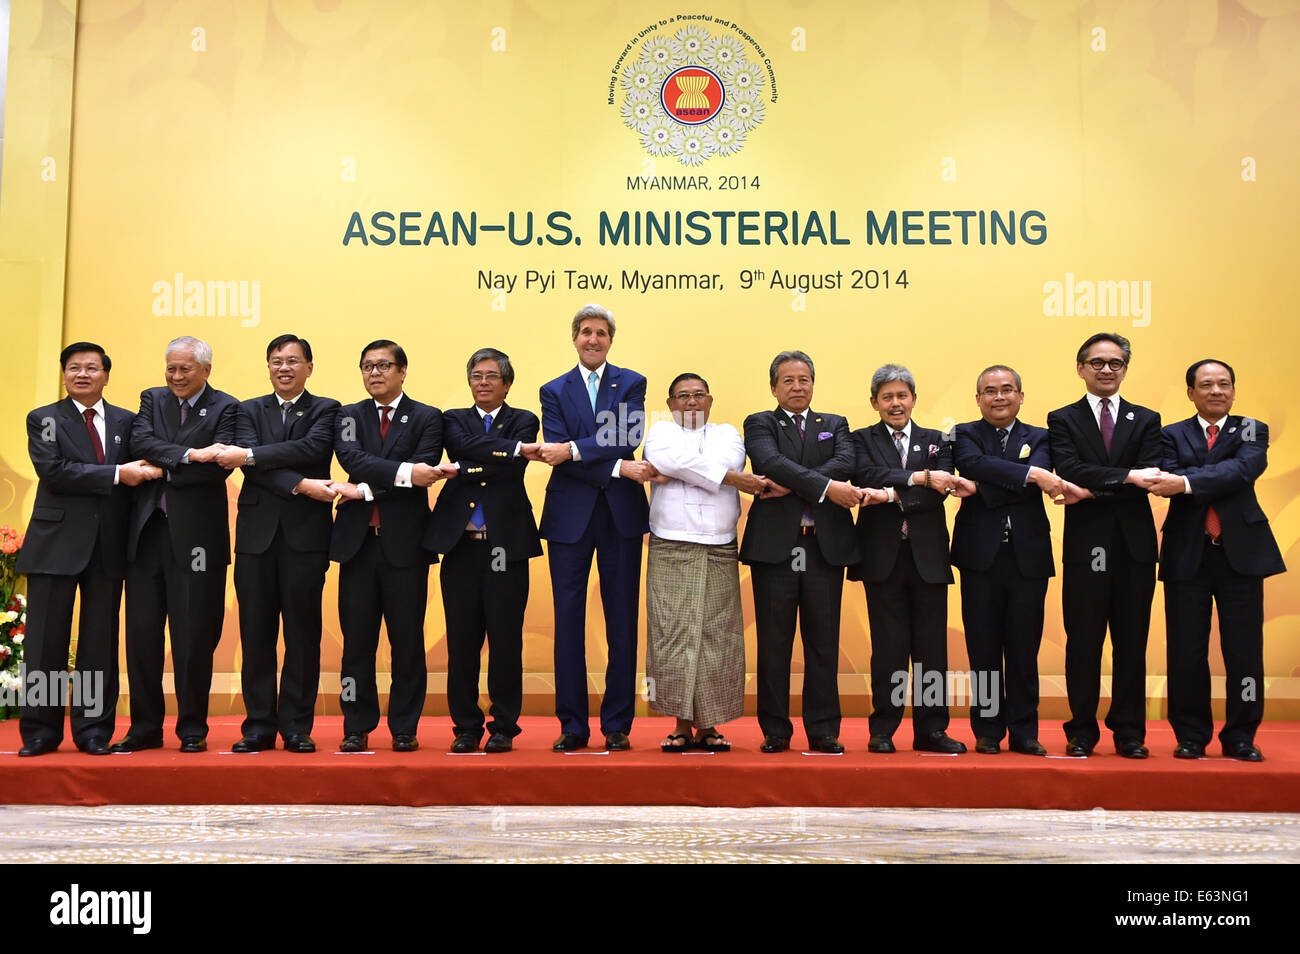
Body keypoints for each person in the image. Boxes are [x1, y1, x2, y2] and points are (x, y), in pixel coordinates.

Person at [16, 343, 162, 756]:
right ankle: (41, 732)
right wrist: (118, 474)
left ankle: (93, 730)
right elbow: (54, 471)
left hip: (108, 547)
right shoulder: (44, 418)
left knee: (99, 645)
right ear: (63, 375)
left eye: (91, 368)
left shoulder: (127, 422)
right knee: (45, 644)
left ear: (106, 375)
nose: (82, 374)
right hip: (54, 545)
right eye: (74, 368)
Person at [1150, 359, 1285, 761]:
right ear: (1190, 392)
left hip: (1240, 553)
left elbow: (1246, 469)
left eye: (1224, 384)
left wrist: (1189, 481)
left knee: (1244, 652)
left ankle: (1241, 735)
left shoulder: (1250, 428)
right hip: (1187, 552)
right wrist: (1205, 477)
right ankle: (1191, 735)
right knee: (1186, 651)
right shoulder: (1170, 433)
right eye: (1206, 385)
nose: (1216, 391)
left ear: (1233, 390)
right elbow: (1166, 478)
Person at [534, 304, 652, 752]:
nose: (593, 339)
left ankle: (618, 723)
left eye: (601, 333)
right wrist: (619, 468)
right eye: (585, 332)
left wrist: (576, 452)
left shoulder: (632, 382)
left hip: (620, 517)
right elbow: (555, 453)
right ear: (574, 337)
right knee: (569, 621)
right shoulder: (553, 390)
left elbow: (625, 437)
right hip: (569, 517)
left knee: (621, 618)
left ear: (610, 340)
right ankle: (572, 725)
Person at [216, 334, 340, 754]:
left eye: (292, 361)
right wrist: (302, 482)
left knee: (302, 635)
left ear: (309, 366)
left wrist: (252, 456)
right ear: (268, 367)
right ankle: (258, 726)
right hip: (256, 537)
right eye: (276, 361)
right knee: (256, 633)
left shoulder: (327, 409)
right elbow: (254, 465)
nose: (284, 368)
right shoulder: (246, 409)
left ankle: (296, 726)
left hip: (306, 537)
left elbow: (312, 447)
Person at [952, 365, 1083, 756]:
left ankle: (1025, 731)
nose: (999, 397)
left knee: (1024, 650)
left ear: (1021, 396)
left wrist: (983, 488)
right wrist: (1031, 477)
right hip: (980, 557)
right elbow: (973, 465)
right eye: (990, 391)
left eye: (1007, 390)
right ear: (978, 399)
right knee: (984, 648)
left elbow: (994, 477)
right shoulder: (961, 434)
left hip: (1027, 556)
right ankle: (988, 730)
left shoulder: (1042, 435)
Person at [115, 336, 238, 753]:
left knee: (193, 637)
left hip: (198, 541)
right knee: (143, 636)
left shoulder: (227, 407)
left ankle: (192, 729)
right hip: (148, 534)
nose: (176, 376)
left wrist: (165, 465)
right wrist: (190, 455)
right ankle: (145, 727)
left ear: (206, 369)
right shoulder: (152, 398)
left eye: (185, 369)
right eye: (171, 368)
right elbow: (139, 444)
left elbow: (218, 467)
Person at [741, 350, 865, 754]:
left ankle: (823, 729)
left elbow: (846, 462)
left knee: (823, 642)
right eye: (789, 381)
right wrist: (824, 485)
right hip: (775, 548)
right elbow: (768, 461)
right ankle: (775, 730)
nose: (798, 387)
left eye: (804, 379)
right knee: (774, 643)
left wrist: (796, 484)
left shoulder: (835, 424)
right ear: (774, 387)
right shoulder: (760, 422)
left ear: (814, 383)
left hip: (823, 548)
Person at [1047, 333, 1162, 759]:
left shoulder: (1147, 419)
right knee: (1084, 642)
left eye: (1115, 362)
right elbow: (1071, 468)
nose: (1107, 369)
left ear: (1125, 369)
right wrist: (1126, 477)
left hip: (1135, 549)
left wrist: (1092, 489)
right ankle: (1081, 731)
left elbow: (1150, 474)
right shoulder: (1062, 418)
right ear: (1081, 368)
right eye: (1097, 362)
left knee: (1132, 642)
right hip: (1086, 549)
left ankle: (1130, 732)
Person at [848, 364, 972, 755]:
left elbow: (942, 490)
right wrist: (919, 478)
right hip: (882, 556)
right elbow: (864, 473)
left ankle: (932, 730)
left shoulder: (938, 439)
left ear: (914, 399)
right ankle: (883, 728)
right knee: (888, 648)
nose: (896, 403)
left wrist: (890, 494)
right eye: (887, 397)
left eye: (902, 396)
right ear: (875, 403)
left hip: (929, 558)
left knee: (932, 650)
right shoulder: (860, 439)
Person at [423, 348, 542, 754]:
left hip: (506, 545)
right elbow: (464, 447)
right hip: (460, 547)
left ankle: (505, 726)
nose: (484, 382)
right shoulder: (452, 419)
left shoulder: (525, 418)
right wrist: (505, 451)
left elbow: (512, 467)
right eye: (477, 375)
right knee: (462, 641)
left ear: (507, 383)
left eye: (492, 376)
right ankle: (466, 727)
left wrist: (468, 465)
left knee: (506, 641)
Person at [330, 340, 444, 753]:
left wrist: (363, 490)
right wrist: (398, 475)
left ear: (403, 370)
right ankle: (356, 726)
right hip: (357, 547)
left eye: (383, 365)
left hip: (406, 546)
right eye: (367, 366)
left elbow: (425, 471)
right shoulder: (347, 416)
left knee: (407, 641)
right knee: (356, 642)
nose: (374, 373)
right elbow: (352, 459)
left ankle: (404, 727)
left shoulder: (429, 417)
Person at [642, 373, 765, 752]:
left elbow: (713, 461)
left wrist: (679, 472)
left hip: (718, 545)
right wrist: (730, 479)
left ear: (710, 401)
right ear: (670, 403)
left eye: (698, 395)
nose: (691, 401)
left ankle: (708, 724)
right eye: (683, 396)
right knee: (673, 634)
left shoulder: (728, 434)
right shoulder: (659, 433)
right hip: (671, 544)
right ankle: (680, 724)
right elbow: (667, 458)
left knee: (716, 635)